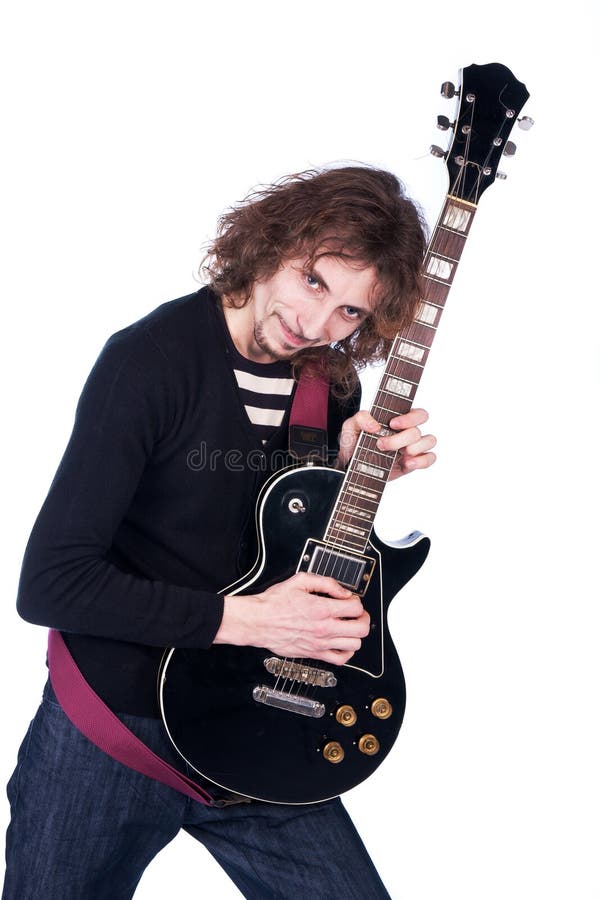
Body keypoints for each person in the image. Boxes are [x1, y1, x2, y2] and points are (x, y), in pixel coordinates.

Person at [2, 165, 437, 899]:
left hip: (260, 720)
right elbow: (52, 582)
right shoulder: (148, 362)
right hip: (116, 728)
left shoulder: (328, 382)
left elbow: (270, 536)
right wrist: (253, 620)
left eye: (351, 314)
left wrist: (344, 476)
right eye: (313, 281)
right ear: (273, 243)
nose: (317, 323)